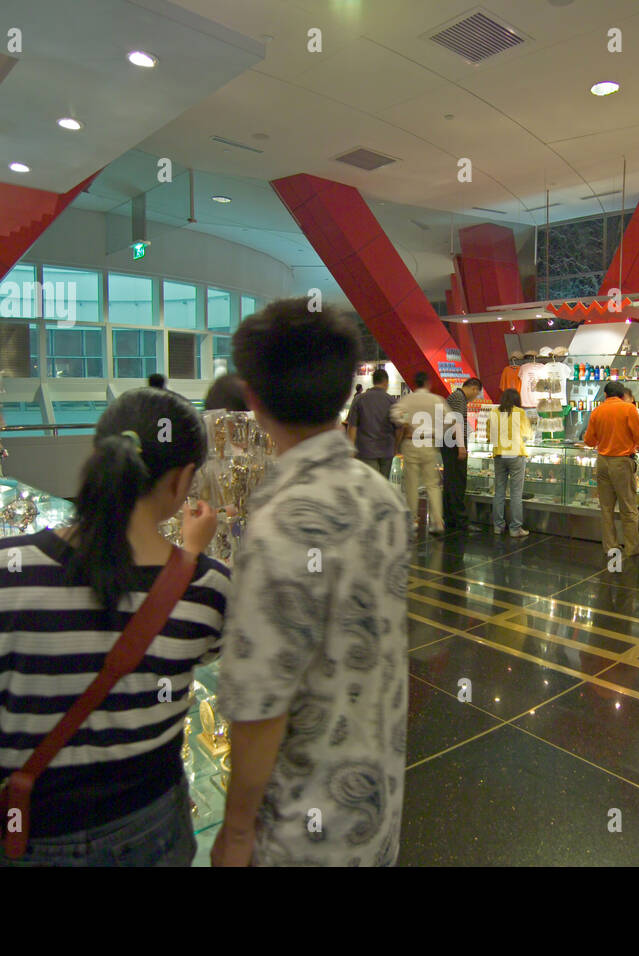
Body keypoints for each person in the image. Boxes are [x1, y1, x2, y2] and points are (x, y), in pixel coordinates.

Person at [0, 387, 228, 867]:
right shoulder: (208, 589)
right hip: (152, 831)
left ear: (95, 457)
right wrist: (191, 558)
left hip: (24, 831)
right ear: (183, 482)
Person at [214, 297, 408, 867]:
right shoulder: (382, 497)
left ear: (253, 399)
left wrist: (235, 835)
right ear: (347, 390)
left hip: (299, 834)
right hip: (376, 811)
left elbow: (260, 707)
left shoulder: (280, 523)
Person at [584, 381, 639, 556]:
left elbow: (589, 440)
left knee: (606, 507)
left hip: (603, 462)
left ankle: (610, 547)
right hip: (622, 463)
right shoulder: (628, 409)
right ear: (621, 395)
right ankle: (632, 548)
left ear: (605, 395)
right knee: (628, 506)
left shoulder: (597, 411)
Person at [391, 371, 447, 534]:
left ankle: (412, 521)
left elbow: (395, 416)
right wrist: (437, 431)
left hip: (411, 442)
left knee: (411, 484)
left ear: (415, 383)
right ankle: (437, 522)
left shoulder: (407, 399)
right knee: (432, 485)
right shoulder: (436, 400)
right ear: (428, 383)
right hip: (429, 443)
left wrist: (406, 424)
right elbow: (450, 418)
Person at [442, 376, 483, 533]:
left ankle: (450, 518)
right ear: (474, 388)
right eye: (477, 393)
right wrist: (461, 446)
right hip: (453, 444)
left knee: (450, 482)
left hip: (448, 443)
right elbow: (457, 422)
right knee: (458, 482)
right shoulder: (459, 398)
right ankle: (460, 520)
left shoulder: (455, 397)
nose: (475, 397)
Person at [488, 388, 531, 537]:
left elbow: (490, 436)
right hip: (516, 454)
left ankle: (498, 527)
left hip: (499, 455)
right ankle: (515, 528)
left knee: (499, 491)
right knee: (516, 494)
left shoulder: (494, 413)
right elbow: (527, 434)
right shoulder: (520, 413)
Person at [345, 368, 399, 477]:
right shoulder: (392, 401)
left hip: (366, 451)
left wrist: (350, 451)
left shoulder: (359, 399)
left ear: (373, 381)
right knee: (383, 484)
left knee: (370, 485)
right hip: (386, 450)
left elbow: (352, 428)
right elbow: (398, 428)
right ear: (386, 382)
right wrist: (395, 447)